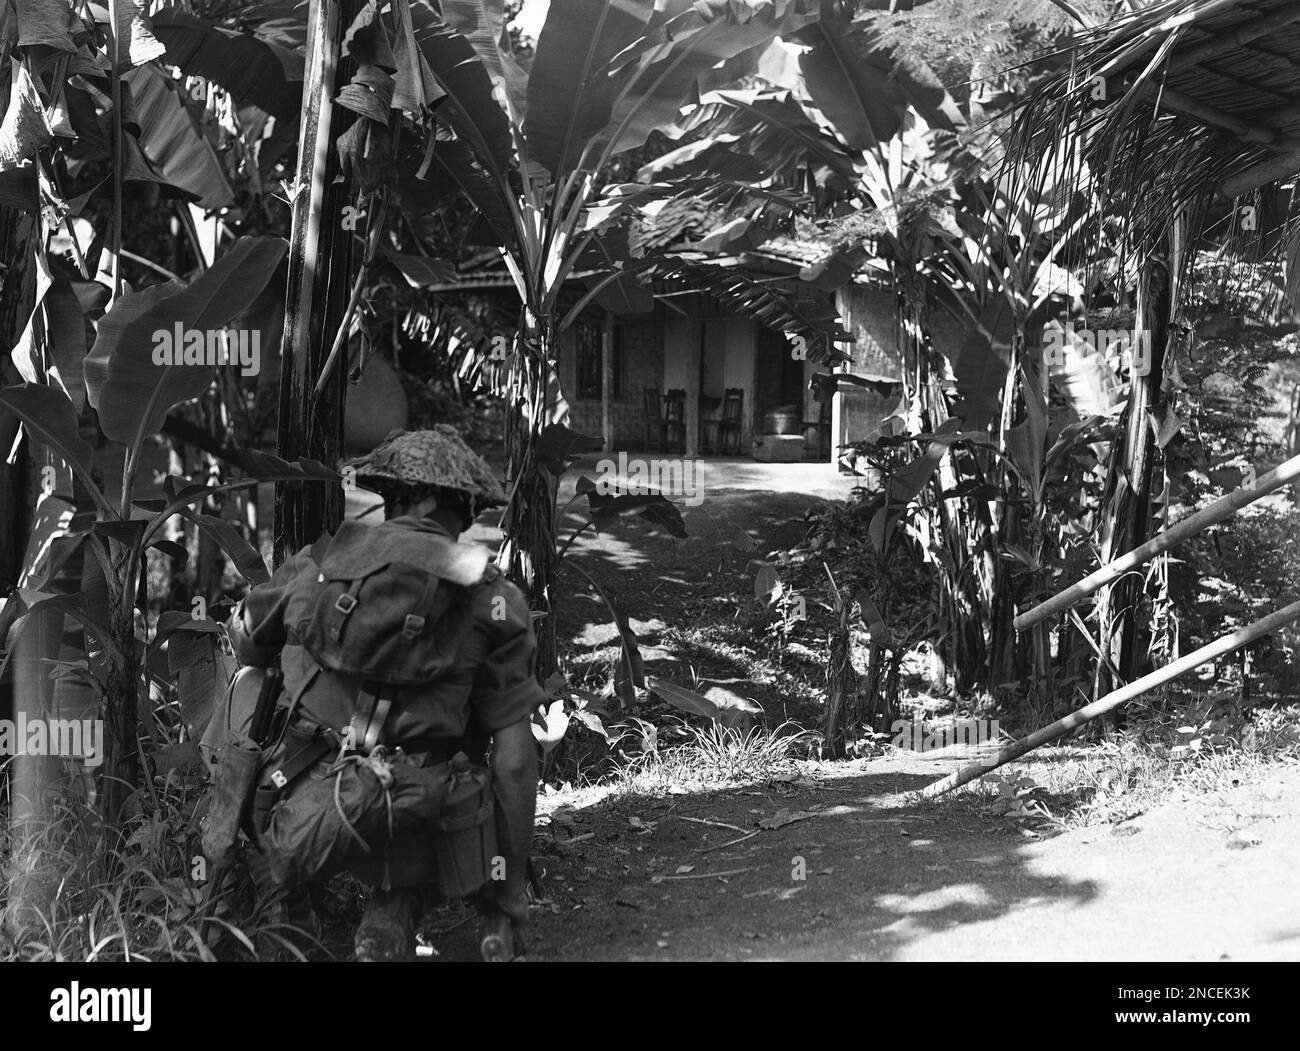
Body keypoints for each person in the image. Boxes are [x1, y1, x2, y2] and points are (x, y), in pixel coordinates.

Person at [226, 426, 542, 960]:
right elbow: (514, 760)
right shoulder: (496, 601)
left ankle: (279, 903)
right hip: (413, 800)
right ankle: (390, 914)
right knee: (466, 771)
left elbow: (248, 648)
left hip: (302, 792)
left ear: (399, 498)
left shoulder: (321, 563)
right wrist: (509, 887)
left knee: (248, 685)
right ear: (457, 509)